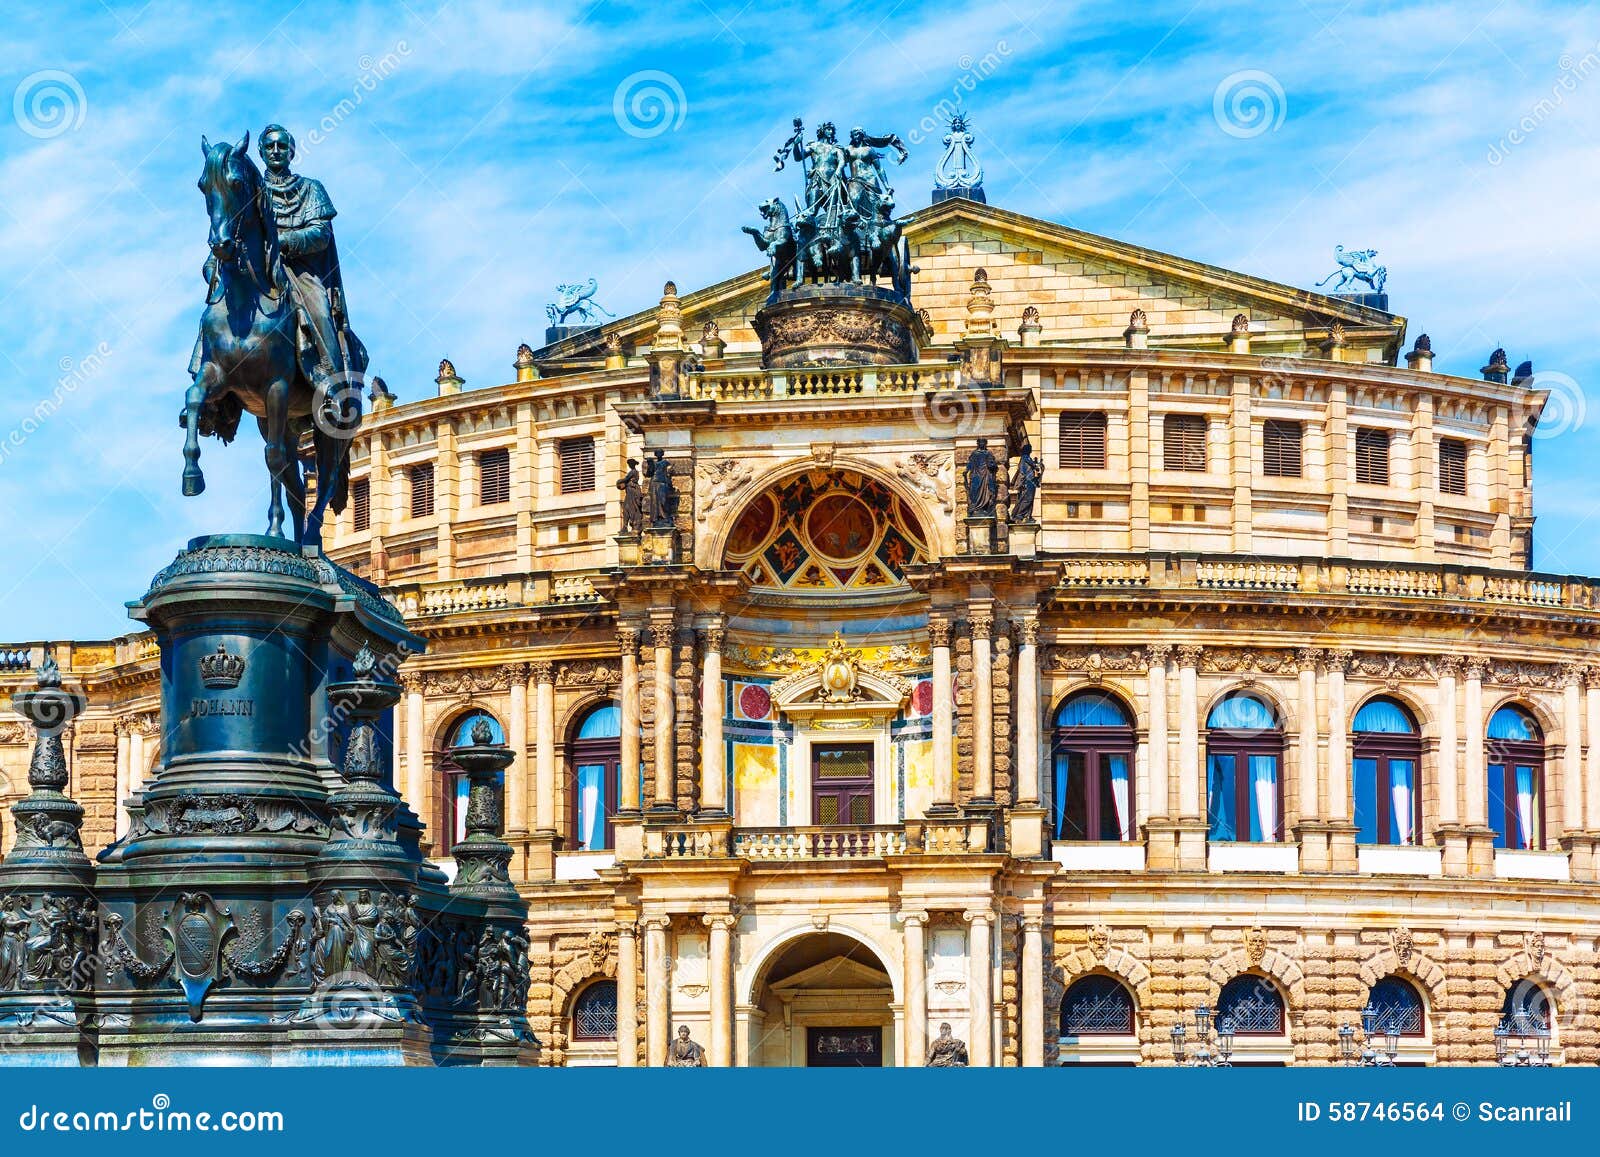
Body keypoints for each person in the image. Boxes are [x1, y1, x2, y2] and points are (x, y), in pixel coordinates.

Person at [1008, 441, 1043, 523]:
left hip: (1031, 481)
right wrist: (1037, 465)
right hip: (1027, 482)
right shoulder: (1024, 458)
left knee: (1029, 499)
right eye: (1029, 449)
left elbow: (1035, 468)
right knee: (1027, 499)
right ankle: (1020, 515)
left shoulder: (1027, 458)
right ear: (1027, 450)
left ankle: (1027, 515)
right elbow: (1025, 470)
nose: (1031, 450)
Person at [963, 437, 999, 518]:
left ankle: (984, 508)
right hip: (976, 475)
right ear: (978, 444)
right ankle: (976, 508)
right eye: (980, 443)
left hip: (986, 475)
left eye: (984, 443)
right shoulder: (974, 453)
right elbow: (970, 463)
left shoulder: (988, 453)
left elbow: (992, 464)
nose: (982, 444)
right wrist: (966, 471)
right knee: (974, 490)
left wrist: (993, 466)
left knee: (987, 491)